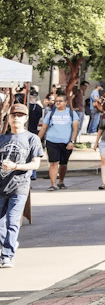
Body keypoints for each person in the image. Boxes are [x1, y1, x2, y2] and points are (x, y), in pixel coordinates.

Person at [0, 104, 42, 267]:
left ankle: (7, 255)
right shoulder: (2, 139)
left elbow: (35, 164)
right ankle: (8, 245)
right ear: (8, 118)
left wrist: (15, 167)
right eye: (13, 115)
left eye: (20, 115)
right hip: (1, 186)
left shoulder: (32, 139)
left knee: (12, 220)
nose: (16, 118)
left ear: (25, 119)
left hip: (19, 186)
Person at [40, 94, 80, 190]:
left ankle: (61, 181)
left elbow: (75, 129)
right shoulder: (51, 113)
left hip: (66, 142)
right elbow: (43, 128)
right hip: (52, 141)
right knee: (53, 162)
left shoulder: (72, 113)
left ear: (66, 102)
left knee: (63, 164)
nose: (57, 103)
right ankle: (52, 184)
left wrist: (72, 141)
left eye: (60, 101)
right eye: (56, 101)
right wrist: (37, 141)